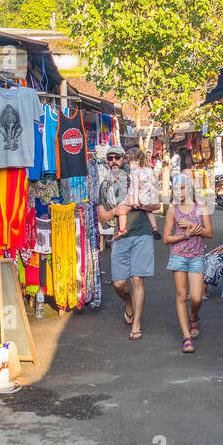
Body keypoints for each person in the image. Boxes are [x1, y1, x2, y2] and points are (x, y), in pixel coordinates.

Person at [98, 146, 160, 341]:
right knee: (118, 284)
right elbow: (101, 216)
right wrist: (115, 212)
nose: (114, 161)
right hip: (120, 237)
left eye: (117, 157)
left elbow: (156, 205)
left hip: (142, 233)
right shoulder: (105, 185)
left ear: (124, 160)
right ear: (106, 161)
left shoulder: (138, 176)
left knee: (137, 280)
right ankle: (128, 302)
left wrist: (138, 204)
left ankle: (136, 324)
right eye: (110, 158)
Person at [163, 174, 211, 353]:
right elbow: (166, 239)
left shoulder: (201, 207)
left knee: (197, 297)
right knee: (182, 296)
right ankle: (186, 337)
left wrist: (193, 227)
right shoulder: (172, 211)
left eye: (182, 187)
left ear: (190, 188)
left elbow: (209, 233)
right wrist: (185, 235)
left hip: (197, 255)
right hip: (178, 256)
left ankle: (193, 315)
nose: (179, 191)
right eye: (176, 188)